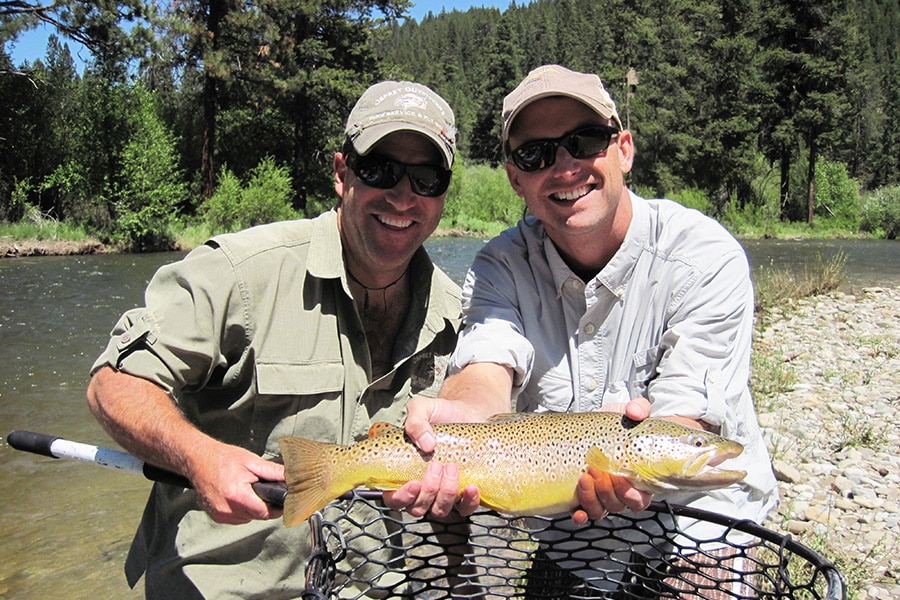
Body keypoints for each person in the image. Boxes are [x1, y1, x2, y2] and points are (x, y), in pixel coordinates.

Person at [395, 64, 779, 595]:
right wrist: (462, 414)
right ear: (515, 177)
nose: (565, 166)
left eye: (586, 141)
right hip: (571, 519)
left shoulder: (704, 258)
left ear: (623, 148)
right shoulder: (499, 266)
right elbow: (486, 363)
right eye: (536, 154)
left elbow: (687, 425)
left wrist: (642, 459)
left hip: (697, 518)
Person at [86, 80, 464, 599]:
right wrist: (200, 456)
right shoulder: (239, 275)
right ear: (340, 173)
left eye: (426, 178)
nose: (403, 196)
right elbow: (115, 383)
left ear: (443, 192)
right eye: (379, 170)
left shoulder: (457, 315)